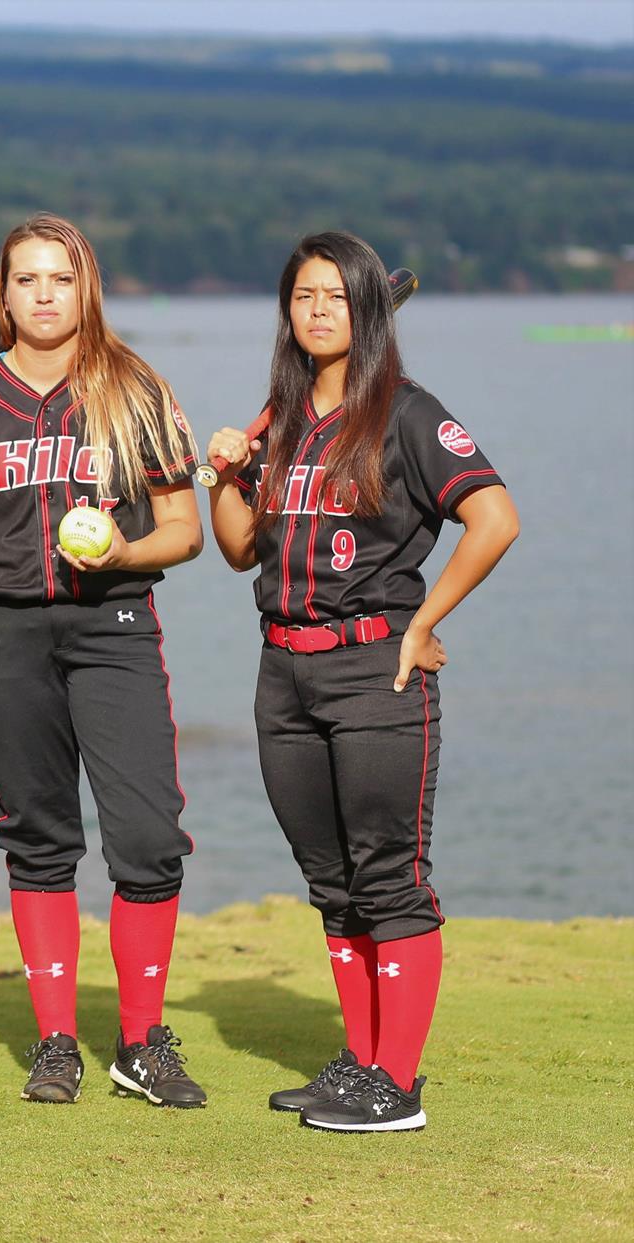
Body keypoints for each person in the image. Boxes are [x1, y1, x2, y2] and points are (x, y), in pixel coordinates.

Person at [204, 230, 517, 1133]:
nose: (316, 310)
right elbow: (234, 550)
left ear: (369, 308)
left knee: (390, 879)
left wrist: (424, 624)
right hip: (284, 670)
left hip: (373, 668)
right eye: (303, 296)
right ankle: (361, 1061)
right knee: (332, 880)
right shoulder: (286, 419)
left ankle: (398, 1083)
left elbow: (494, 518)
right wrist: (229, 474)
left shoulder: (410, 413)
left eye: (336, 297)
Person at [0, 213, 207, 1108]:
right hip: (5, 634)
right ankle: (56, 1042)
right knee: (40, 838)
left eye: (61, 278)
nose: (44, 295)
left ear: (85, 288)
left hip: (114, 623)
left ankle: (141, 1041)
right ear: (2, 293)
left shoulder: (132, 388)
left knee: (150, 836)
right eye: (26, 279)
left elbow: (184, 529)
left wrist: (123, 554)